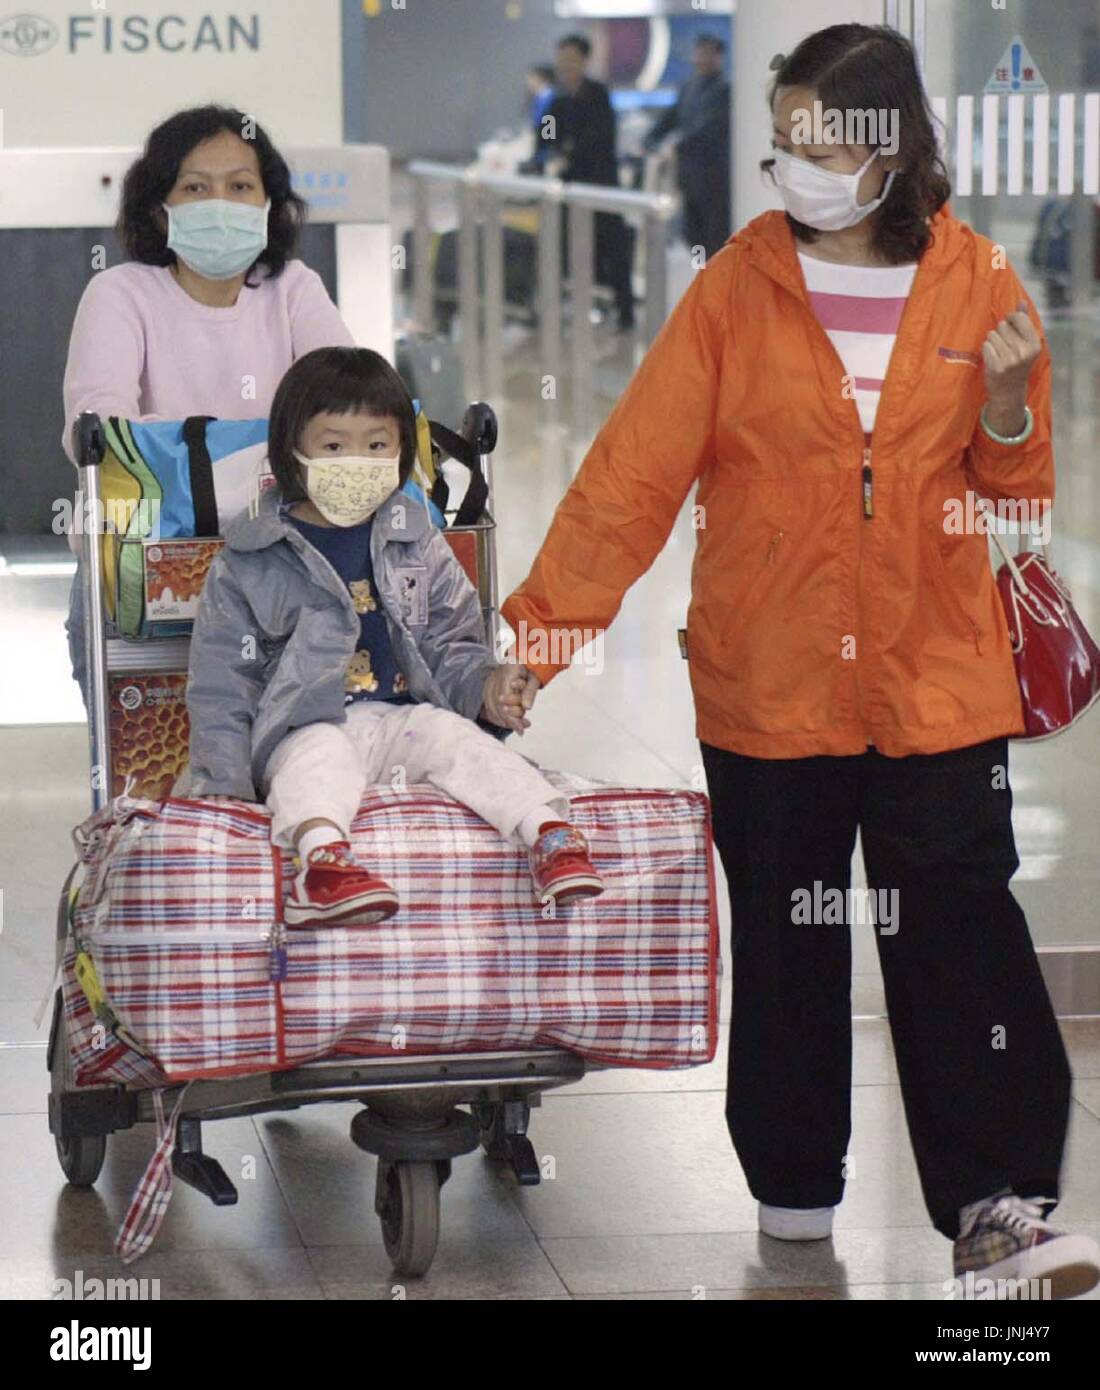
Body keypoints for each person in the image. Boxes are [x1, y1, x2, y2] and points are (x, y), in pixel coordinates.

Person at [501, 24, 1100, 1297]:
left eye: (821, 138)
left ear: (889, 140)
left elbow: (1010, 499)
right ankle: (791, 1183)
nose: (798, 164)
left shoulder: (981, 279)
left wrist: (1005, 409)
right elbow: (630, 478)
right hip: (767, 678)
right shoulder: (736, 288)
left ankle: (994, 1204)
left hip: (935, 680)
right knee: (788, 935)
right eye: (785, 140)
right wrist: (539, 637)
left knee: (955, 926)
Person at [186, 346, 604, 923]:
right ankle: (324, 864)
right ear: (292, 451)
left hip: (399, 719)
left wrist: (487, 687)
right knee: (319, 759)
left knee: (455, 739)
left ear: (402, 451)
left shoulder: (417, 542)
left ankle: (550, 834)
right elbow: (221, 687)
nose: (357, 461)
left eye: (377, 445)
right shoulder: (250, 559)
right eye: (334, 446)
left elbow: (453, 643)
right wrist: (225, 796)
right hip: (300, 725)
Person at [61, 103, 355, 700]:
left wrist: (188, 450)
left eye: (240, 186)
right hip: (149, 561)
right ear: (158, 209)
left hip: (291, 558)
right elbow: (101, 440)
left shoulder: (294, 289)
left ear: (269, 206)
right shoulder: (119, 294)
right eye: (195, 187)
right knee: (157, 768)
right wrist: (266, 451)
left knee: (298, 757)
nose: (220, 202)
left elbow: (348, 412)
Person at [541, 32, 635, 331]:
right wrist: (550, 152)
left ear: (584, 60)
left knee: (613, 249)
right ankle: (578, 310)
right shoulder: (557, 99)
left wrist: (570, 151)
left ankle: (624, 311)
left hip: (600, 185)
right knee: (571, 251)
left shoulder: (597, 94)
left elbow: (600, 138)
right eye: (562, 59)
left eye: (571, 58)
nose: (566, 65)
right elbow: (545, 135)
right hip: (570, 189)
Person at [644, 33, 731, 260]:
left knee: (715, 238)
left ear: (719, 57)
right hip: (688, 177)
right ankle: (702, 282)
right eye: (699, 53)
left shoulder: (725, 90)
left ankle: (717, 286)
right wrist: (650, 141)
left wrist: (675, 146)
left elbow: (708, 129)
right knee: (693, 236)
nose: (702, 58)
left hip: (714, 180)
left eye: (708, 53)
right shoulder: (688, 87)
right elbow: (669, 120)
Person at [525, 62, 557, 160]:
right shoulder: (539, 97)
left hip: (545, 149)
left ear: (541, 78)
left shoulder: (548, 98)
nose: (528, 82)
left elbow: (548, 130)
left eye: (531, 77)